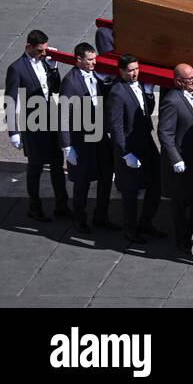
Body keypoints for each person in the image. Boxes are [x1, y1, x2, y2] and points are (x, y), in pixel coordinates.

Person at [5, 29, 71, 222]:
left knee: (57, 165)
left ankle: (62, 205)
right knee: (35, 167)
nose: (44, 53)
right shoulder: (16, 68)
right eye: (40, 50)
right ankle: (34, 207)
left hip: (51, 121)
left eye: (45, 50)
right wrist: (13, 132)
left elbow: (56, 88)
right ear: (28, 47)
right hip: (33, 125)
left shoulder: (45, 62)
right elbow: (10, 100)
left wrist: (54, 67)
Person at [105, 53, 165, 244]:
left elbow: (144, 109)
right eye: (130, 70)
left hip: (146, 142)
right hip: (130, 148)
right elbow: (116, 128)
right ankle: (130, 229)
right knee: (131, 192)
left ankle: (146, 221)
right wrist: (125, 153)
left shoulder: (138, 84)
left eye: (136, 69)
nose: (135, 73)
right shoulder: (117, 93)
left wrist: (148, 94)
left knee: (156, 182)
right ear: (121, 71)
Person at [59, 43, 118, 233]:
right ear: (79, 60)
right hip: (81, 139)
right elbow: (63, 115)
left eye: (95, 59)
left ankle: (101, 215)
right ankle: (79, 218)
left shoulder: (96, 76)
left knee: (106, 174)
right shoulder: (70, 82)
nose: (94, 63)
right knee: (82, 181)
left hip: (99, 135)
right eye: (90, 60)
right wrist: (67, 146)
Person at [158, 62, 193, 251]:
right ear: (178, 81)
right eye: (189, 79)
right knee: (181, 203)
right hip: (181, 162)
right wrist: (176, 159)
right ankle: (184, 240)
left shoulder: (192, 97)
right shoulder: (172, 101)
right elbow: (165, 133)